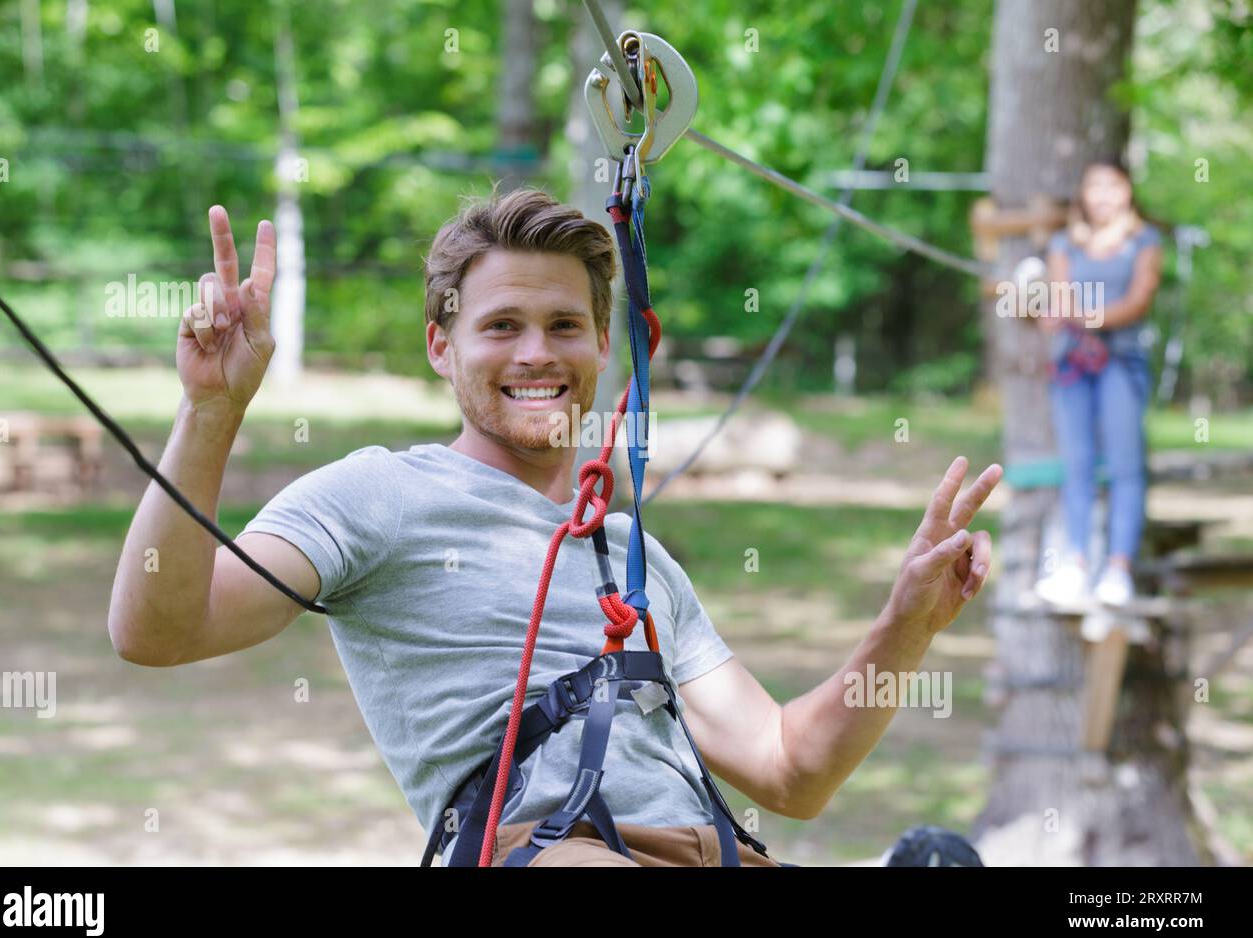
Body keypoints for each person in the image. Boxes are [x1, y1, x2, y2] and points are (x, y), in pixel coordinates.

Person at [106, 188, 1002, 866]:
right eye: (502, 325)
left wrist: (906, 625)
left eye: (564, 325)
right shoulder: (373, 495)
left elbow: (789, 770)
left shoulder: (634, 558)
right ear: (439, 345)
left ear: (602, 347)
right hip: (549, 854)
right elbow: (158, 629)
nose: (537, 352)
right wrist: (211, 412)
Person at [1034, 161, 1163, 607]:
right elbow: (1059, 293)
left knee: (1126, 465)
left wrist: (1082, 317)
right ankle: (1076, 563)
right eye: (1095, 186)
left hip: (1121, 364)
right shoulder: (1065, 243)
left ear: (1127, 191)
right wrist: (1069, 316)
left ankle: (1117, 569)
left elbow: (1138, 301)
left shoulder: (1144, 241)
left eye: (1113, 185)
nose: (1104, 195)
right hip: (1074, 365)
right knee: (1078, 464)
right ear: (1083, 195)